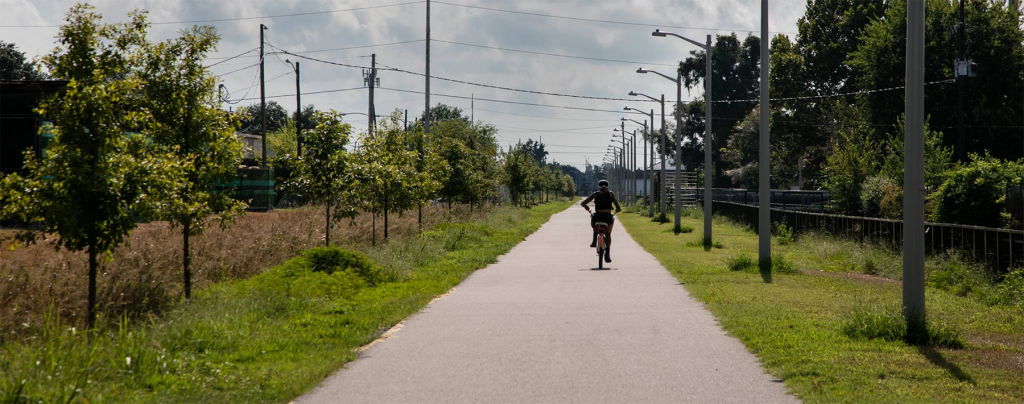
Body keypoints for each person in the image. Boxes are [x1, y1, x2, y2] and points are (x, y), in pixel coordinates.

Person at [581, 179, 621, 262]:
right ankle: (607, 253)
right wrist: (617, 210)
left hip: (598, 216)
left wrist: (587, 208)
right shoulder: (611, 194)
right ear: (607, 186)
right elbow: (618, 207)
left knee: (594, 222)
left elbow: (583, 203)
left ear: (599, 186)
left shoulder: (595, 194)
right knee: (608, 234)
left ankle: (594, 240)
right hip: (607, 217)